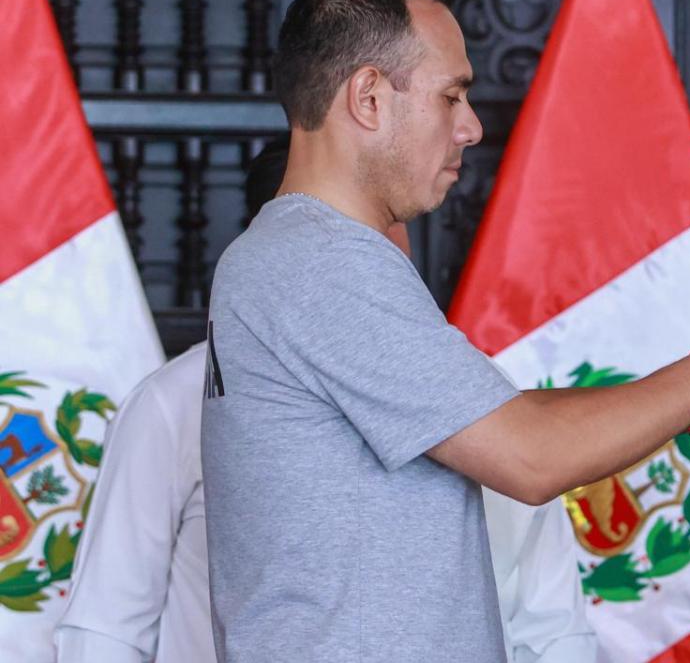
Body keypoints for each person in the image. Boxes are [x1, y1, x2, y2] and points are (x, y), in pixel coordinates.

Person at [201, 0, 690, 662]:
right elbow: (529, 453)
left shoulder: (293, 253)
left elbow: (498, 422)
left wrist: (681, 391)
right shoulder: (323, 261)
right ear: (367, 97)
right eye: (451, 95)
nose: (472, 127)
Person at [54, 138, 596, 663]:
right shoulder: (172, 402)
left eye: (386, 224)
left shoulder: (490, 395)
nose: (368, 251)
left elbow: (550, 623)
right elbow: (108, 624)